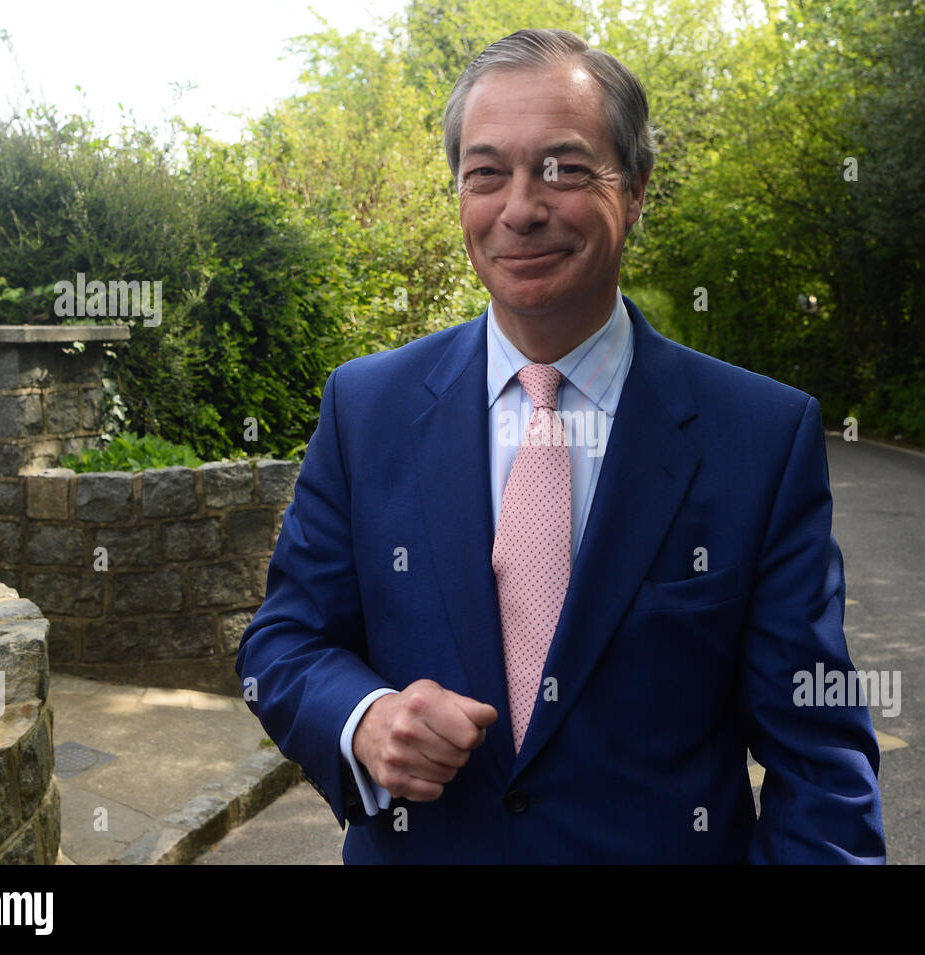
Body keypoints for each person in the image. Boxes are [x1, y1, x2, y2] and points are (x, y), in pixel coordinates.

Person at [236, 27, 885, 864]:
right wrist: (364, 719)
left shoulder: (759, 435)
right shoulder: (366, 407)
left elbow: (819, 757)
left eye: (564, 168)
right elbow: (284, 641)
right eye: (486, 173)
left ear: (638, 188)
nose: (520, 208)